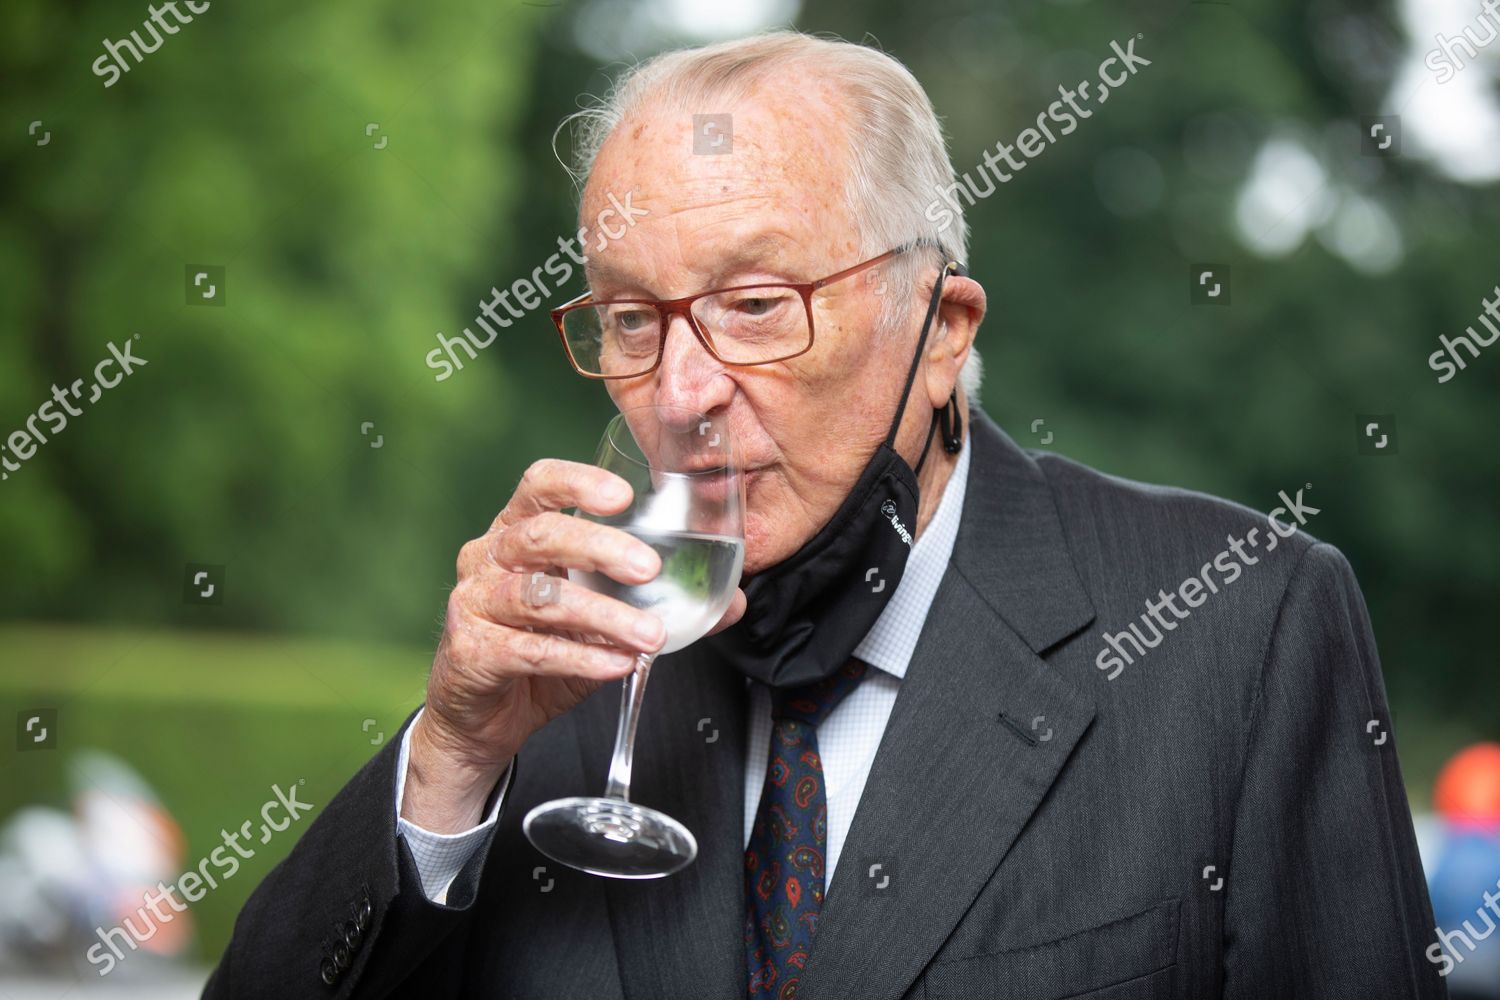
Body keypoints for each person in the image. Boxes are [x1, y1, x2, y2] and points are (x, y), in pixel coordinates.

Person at [205, 30, 1447, 999]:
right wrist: (450, 759)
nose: (681, 395)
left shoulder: (1241, 625)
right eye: (632, 319)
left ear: (942, 328)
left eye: (755, 303)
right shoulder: (561, 674)